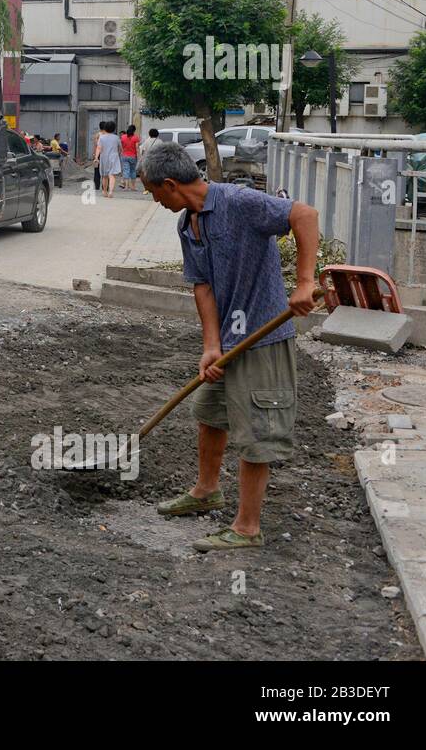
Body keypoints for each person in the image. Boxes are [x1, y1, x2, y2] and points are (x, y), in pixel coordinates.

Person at [138, 142, 319, 553]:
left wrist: (305, 282)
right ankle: (206, 490)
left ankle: (247, 528)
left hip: (263, 337)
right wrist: (210, 346)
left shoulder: (238, 202)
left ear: (170, 184)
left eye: (153, 193)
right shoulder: (188, 225)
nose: (154, 201)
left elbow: (303, 214)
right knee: (210, 413)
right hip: (229, 341)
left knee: (257, 432)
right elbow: (202, 287)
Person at [95, 121, 122, 198]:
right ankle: (111, 191)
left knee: (104, 176)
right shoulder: (116, 137)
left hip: (104, 157)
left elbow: (99, 148)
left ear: (105, 128)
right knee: (112, 175)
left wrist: (96, 157)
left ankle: (104, 192)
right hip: (114, 157)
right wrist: (118, 154)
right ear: (114, 129)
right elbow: (120, 148)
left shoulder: (101, 137)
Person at [119, 124, 140, 191]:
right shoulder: (136, 137)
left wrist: (121, 152)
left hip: (124, 156)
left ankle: (126, 187)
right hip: (133, 156)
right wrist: (139, 156)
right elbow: (137, 148)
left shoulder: (123, 137)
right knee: (133, 171)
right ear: (134, 130)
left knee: (126, 170)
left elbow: (121, 147)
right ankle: (133, 187)